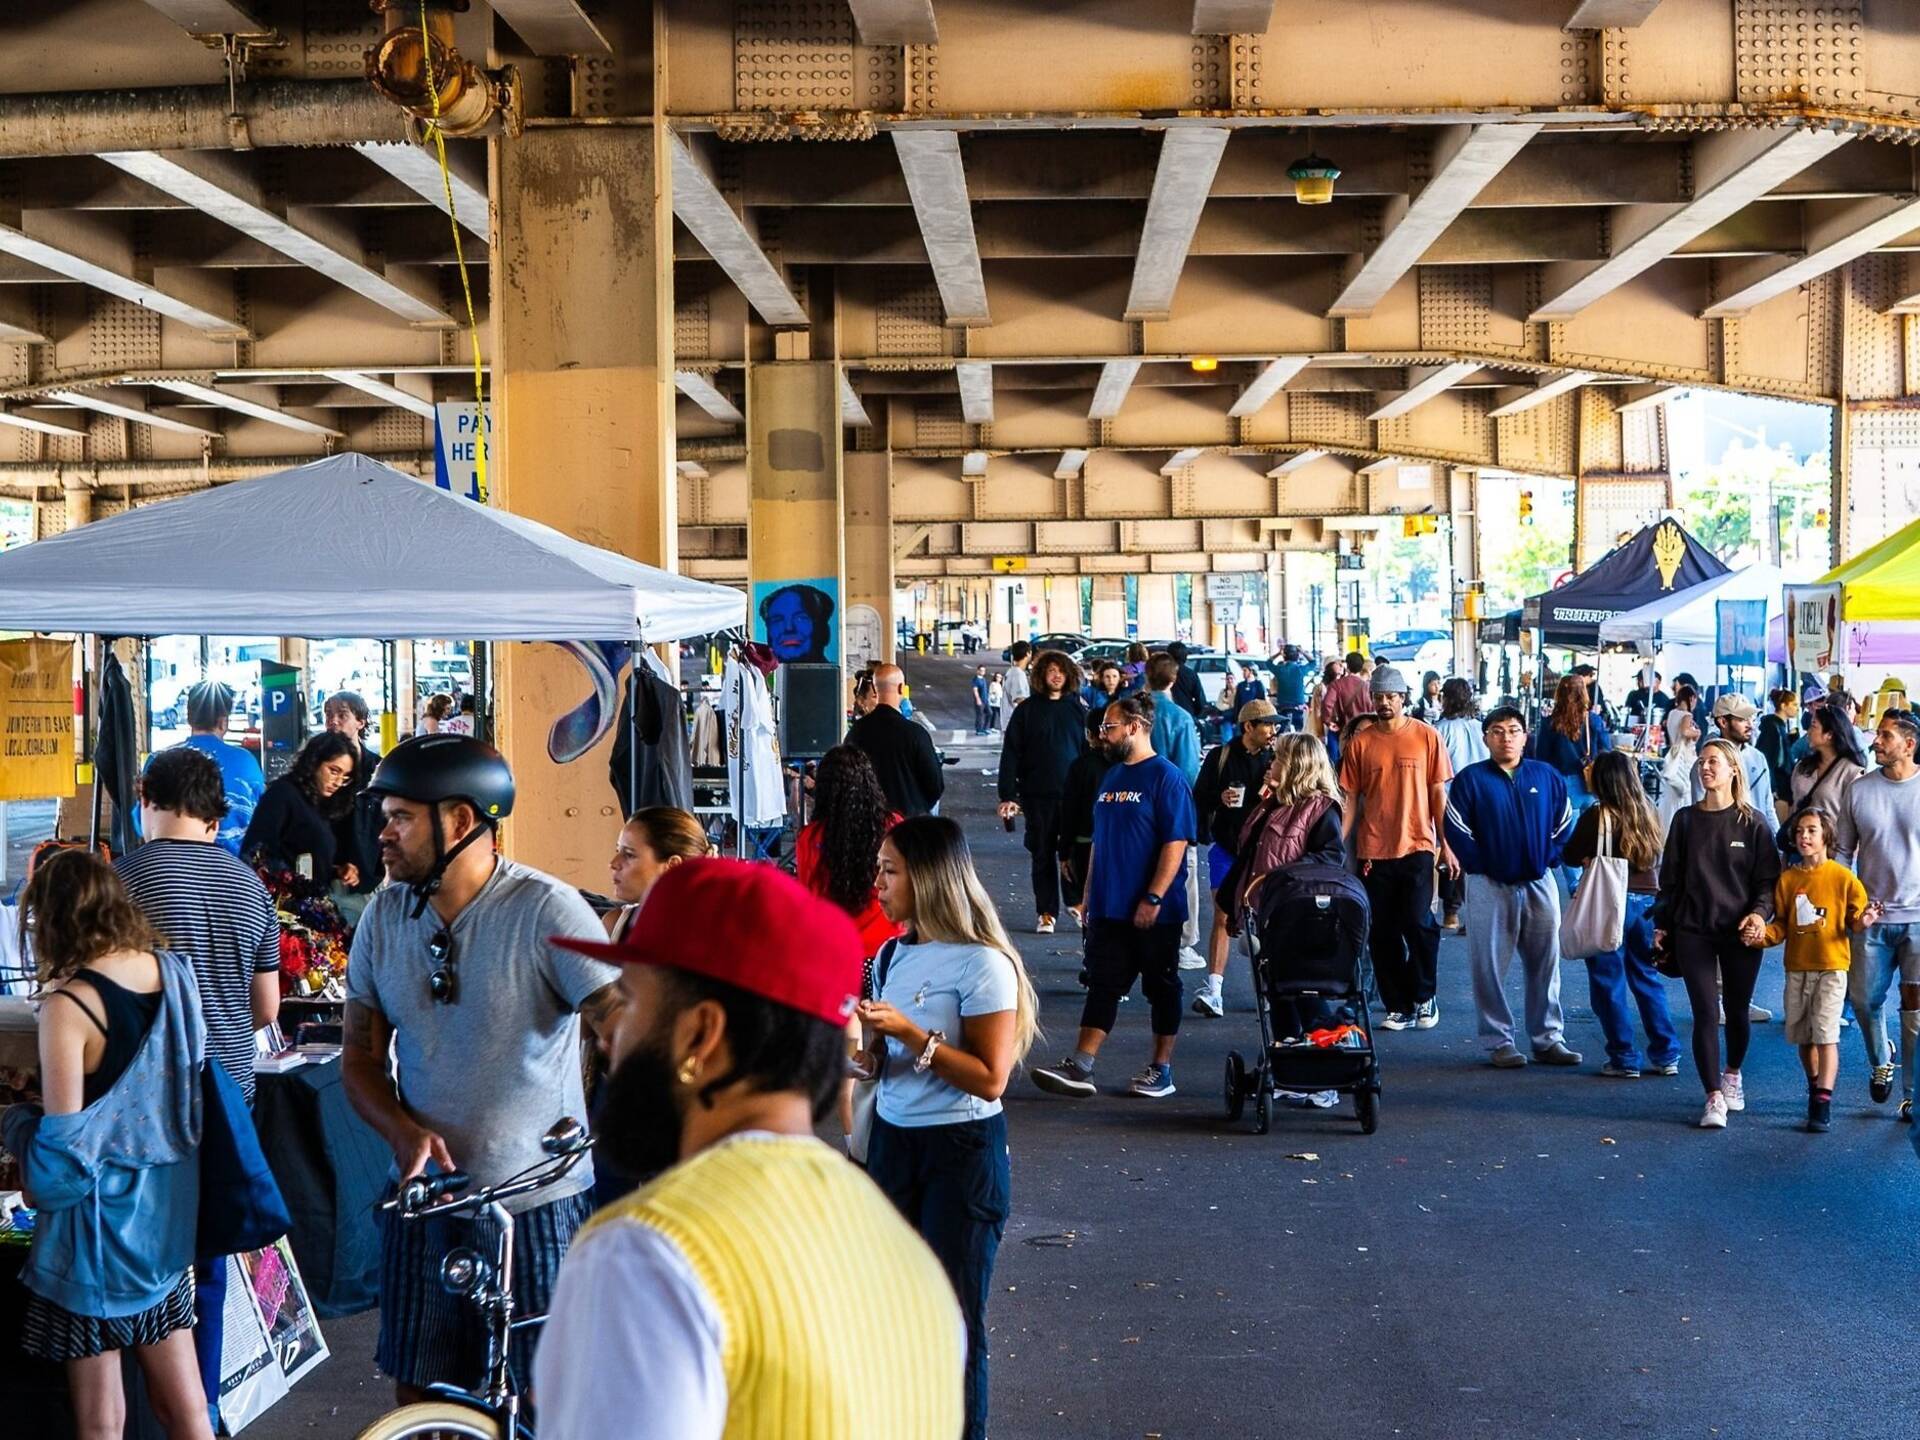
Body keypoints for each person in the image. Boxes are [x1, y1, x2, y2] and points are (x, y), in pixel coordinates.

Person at [534, 860, 965, 1440]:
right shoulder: (909, 1259)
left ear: (699, 1035)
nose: (607, 1035)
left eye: (630, 1002)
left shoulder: (644, 1257)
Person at [342, 735, 623, 1403]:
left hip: (536, 1207)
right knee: (421, 1390)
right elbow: (358, 1056)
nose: (384, 833)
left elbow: (619, 1024)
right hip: (426, 1204)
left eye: (401, 817)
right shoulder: (383, 918)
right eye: (385, 816)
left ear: (461, 822)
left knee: (539, 1395)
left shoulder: (546, 911)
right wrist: (402, 1133)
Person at [2, 850, 214, 1440]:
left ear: (52, 920)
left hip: (95, 1243)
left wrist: (16, 1121)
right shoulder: (173, 972)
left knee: (101, 1423)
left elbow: (60, 1167)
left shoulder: (69, 1007)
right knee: (188, 1408)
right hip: (165, 1225)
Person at [858, 817, 1040, 1440]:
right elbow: (885, 1058)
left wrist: (913, 1035)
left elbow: (991, 1078)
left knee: (954, 1318)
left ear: (929, 879)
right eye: (880, 869)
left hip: (960, 1153)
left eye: (889, 871)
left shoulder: (982, 965)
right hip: (892, 1140)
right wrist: (870, 1055)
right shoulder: (888, 953)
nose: (877, 883)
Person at [115, 747, 284, 1415]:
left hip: (142, 1099)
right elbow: (266, 1008)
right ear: (215, 812)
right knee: (208, 1260)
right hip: (227, 1097)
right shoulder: (248, 884)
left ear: (145, 797)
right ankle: (203, 1408)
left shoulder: (122, 879)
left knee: (138, 1264)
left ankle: (145, 1408)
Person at [1030, 695, 1197, 1100]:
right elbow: (1102, 843)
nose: (1103, 736)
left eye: (1110, 727)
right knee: (1103, 985)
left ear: (1136, 727)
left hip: (1154, 911)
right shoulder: (1112, 778)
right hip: (1109, 907)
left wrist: (1154, 898)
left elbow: (1176, 843)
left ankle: (1161, 1069)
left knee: (1161, 987)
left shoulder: (1166, 778)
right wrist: (1089, 897)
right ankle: (1082, 1064)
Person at [1653, 738, 1782, 1129]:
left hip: (1740, 933)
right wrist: (1662, 924)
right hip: (1693, 929)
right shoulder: (1685, 820)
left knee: (1738, 1012)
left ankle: (1733, 1074)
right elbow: (1669, 879)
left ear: (1733, 771)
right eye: (1702, 762)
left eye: (1714, 762)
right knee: (1706, 1013)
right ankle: (1712, 1096)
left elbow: (1767, 883)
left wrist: (1759, 916)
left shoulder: (1754, 822)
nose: (1705, 768)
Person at [1443, 706, 1581, 1069]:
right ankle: (1499, 1040)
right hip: (1489, 884)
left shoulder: (1546, 775)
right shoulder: (1471, 779)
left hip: (1539, 881)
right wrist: (1482, 865)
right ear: (1486, 737)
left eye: (1514, 730)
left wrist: (1547, 858)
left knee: (1546, 962)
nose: (1507, 737)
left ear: (1525, 736)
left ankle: (1548, 1039)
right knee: (1487, 965)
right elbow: (1456, 828)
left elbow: (1565, 821)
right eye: (1498, 731)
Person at [1340, 665, 1454, 1030]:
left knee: (1419, 923)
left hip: (1418, 843)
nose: (1384, 703)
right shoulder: (1361, 743)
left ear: (1403, 698)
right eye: (1378, 697)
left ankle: (1424, 996)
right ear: (1371, 699)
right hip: (1373, 849)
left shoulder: (1426, 736)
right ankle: (1399, 1004)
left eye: (1391, 696)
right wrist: (1338, 845)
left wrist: (1446, 844)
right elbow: (1351, 800)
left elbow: (1438, 793)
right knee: (1382, 931)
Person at [1562, 750, 1681, 1079]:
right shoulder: (1649, 811)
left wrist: (1588, 857)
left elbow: (1570, 855)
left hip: (1608, 903)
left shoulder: (1598, 816)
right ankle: (1666, 1052)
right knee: (1646, 978)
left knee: (1608, 981)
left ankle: (1624, 1057)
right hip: (1646, 906)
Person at [1763, 808, 1871, 1132]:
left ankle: (1823, 1099)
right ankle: (1814, 1086)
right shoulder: (1788, 880)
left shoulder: (1842, 878)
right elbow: (1781, 925)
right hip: (1797, 967)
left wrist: (1863, 922)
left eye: (1811, 831)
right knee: (1803, 1038)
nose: (1804, 837)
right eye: (1799, 832)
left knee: (1825, 1035)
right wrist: (1761, 936)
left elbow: (1855, 918)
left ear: (1826, 836)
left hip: (1832, 967)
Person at [1834, 709, 1920, 1116]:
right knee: (1865, 1001)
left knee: (1913, 1005)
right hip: (1870, 917)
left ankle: (1911, 1092)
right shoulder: (1859, 789)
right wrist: (1844, 905)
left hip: (1918, 917)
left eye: (1885, 736)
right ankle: (1881, 1061)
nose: (1876, 742)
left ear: (1909, 744)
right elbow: (1842, 853)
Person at [1190, 698, 1280, 1017]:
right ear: (1248, 727)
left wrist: (1276, 787)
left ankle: (1270, 989)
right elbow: (1198, 797)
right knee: (1223, 918)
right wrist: (1220, 797)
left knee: (1266, 923)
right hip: (1227, 849)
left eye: (1275, 724)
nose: (1274, 730)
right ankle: (1214, 991)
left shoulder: (1276, 758)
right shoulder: (1221, 756)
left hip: (1263, 854)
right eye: (1268, 724)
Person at [997, 650, 1088, 934]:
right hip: (1037, 795)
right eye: (1050, 670)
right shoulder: (1026, 711)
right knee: (1042, 853)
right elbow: (1011, 753)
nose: (1056, 675)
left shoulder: (1078, 711)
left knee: (1072, 851)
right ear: (1040, 675)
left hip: (1073, 795)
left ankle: (1075, 902)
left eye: (1061, 670)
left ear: (1069, 675)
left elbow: (1089, 754)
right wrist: (1008, 794)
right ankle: (1046, 912)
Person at [797, 745, 903, 960]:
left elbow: (807, 898)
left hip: (833, 949)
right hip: (889, 948)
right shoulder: (894, 826)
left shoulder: (811, 837)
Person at [1144, 655, 1205, 968]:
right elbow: (1190, 771)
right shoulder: (1180, 717)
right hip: (1174, 808)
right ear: (1173, 679)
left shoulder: (1135, 713)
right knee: (1184, 874)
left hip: (1138, 807)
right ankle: (1183, 943)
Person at [240, 730, 357, 889]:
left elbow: (302, 858)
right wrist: (289, 884)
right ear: (314, 762)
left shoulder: (319, 803)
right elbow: (255, 853)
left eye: (345, 777)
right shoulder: (283, 794)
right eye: (334, 771)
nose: (338, 782)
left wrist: (337, 871)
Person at [845, 662, 946, 819]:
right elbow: (935, 786)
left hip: (868, 824)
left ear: (876, 690)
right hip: (908, 826)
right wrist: (917, 806)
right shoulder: (916, 734)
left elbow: (847, 779)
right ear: (901, 688)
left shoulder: (855, 733)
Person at [178, 679, 264, 856]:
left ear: (189, 717)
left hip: (170, 871)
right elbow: (261, 819)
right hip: (235, 871)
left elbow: (140, 824)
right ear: (223, 721)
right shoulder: (245, 761)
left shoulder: (159, 761)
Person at [603, 806, 714, 940]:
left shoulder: (716, 934)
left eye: (629, 855)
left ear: (673, 866)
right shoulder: (615, 923)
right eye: (618, 851)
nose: (613, 864)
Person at [1433, 677, 1488, 932]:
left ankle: (1451, 913)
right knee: (1477, 858)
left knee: (1450, 854)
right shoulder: (1481, 728)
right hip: (1480, 798)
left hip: (1449, 798)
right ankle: (1477, 915)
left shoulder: (1439, 729)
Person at [323, 690, 384, 908]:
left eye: (342, 715)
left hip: (368, 886)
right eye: (328, 714)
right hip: (326, 884)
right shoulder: (314, 771)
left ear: (361, 721)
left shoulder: (380, 771)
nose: (333, 721)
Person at [1056, 708, 1109, 925]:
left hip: (1083, 842)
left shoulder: (1081, 767)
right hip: (1120, 846)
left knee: (1089, 900)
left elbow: (1069, 810)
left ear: (1089, 734)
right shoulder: (1127, 767)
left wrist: (1064, 852)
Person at [1690, 692, 1776, 818]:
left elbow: (1768, 808)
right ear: (1723, 722)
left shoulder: (1758, 758)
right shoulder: (1705, 764)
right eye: (1742, 719)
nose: (1750, 725)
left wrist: (1774, 836)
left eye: (1751, 719)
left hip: (1758, 833)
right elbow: (1700, 812)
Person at [1789, 703, 1867, 832]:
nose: (1808, 732)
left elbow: (1858, 821)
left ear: (1829, 734)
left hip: (1832, 849)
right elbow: (1793, 806)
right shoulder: (1802, 768)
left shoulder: (1851, 773)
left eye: (1813, 726)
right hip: (1799, 846)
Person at [758, 582, 836, 664]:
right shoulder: (756, 675)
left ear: (824, 631)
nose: (789, 628)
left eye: (800, 618)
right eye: (777, 620)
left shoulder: (836, 676)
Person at [1320, 651, 1374, 766]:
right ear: (1361, 667)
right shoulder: (1367, 687)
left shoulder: (1337, 685)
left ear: (1347, 666)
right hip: (1365, 732)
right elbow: (1373, 708)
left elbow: (1327, 704)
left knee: (1344, 761)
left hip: (1344, 731)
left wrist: (1328, 722)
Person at [1758, 689, 1800, 815]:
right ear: (1783, 706)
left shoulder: (1780, 727)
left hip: (1783, 787)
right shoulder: (1772, 727)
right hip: (1778, 789)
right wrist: (1773, 788)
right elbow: (1768, 759)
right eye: (1794, 704)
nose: (1797, 709)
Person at [1272, 644, 1315, 732]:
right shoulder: (1300, 670)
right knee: (1299, 732)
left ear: (1284, 656)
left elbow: (1268, 662)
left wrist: (1278, 653)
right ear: (1297, 656)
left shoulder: (1280, 669)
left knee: (1282, 732)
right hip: (1298, 707)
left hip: (1283, 706)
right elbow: (1313, 662)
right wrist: (1303, 652)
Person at [1164, 640, 1208, 722]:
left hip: (1166, 715)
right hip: (1186, 713)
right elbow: (1200, 699)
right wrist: (1195, 712)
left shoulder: (1162, 673)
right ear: (1185, 656)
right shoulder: (1191, 674)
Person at [1002, 640, 1033, 711]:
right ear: (1028, 653)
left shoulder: (1012, 671)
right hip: (1015, 719)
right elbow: (1020, 699)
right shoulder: (1018, 674)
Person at [970, 665, 992, 736]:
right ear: (978, 671)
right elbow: (975, 690)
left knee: (989, 713)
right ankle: (979, 730)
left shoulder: (983, 679)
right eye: (981, 670)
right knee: (980, 715)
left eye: (984, 671)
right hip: (980, 701)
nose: (983, 672)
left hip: (985, 700)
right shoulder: (975, 680)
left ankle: (984, 728)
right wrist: (978, 699)